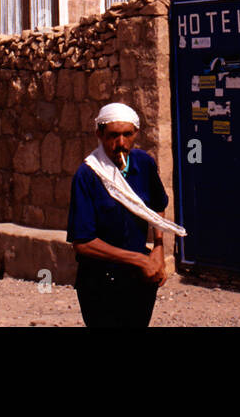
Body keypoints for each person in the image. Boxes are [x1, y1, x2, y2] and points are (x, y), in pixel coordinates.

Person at [67, 103, 186, 328]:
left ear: (136, 134)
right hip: (101, 282)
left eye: (127, 134)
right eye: (113, 135)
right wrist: (141, 259)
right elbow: (83, 242)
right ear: (99, 134)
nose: (120, 143)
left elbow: (157, 208)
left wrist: (159, 248)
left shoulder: (144, 163)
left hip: (138, 279)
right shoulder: (88, 175)